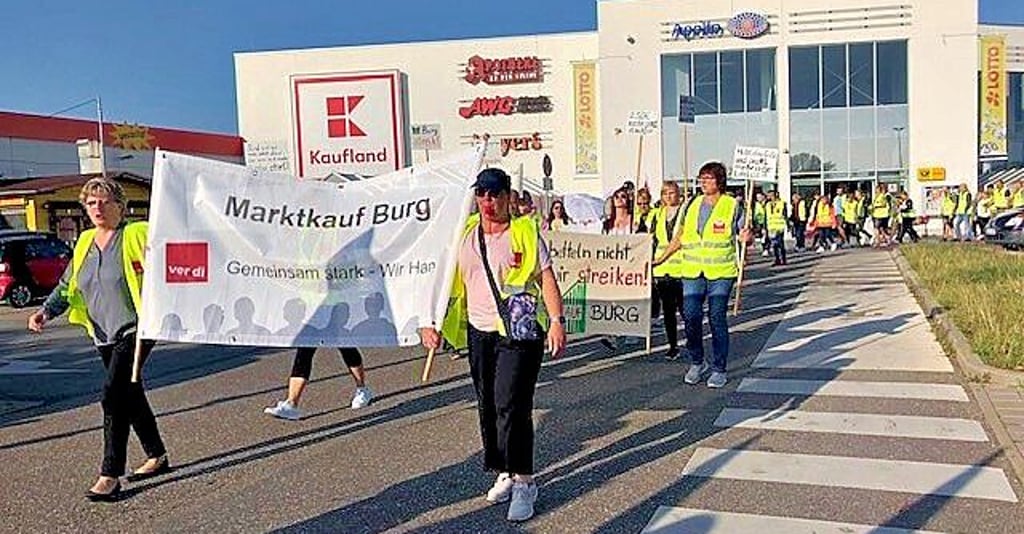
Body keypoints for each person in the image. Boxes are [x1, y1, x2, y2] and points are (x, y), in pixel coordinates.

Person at [419, 168, 566, 523]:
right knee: (487, 405)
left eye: (495, 194)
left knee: (511, 405)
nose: (488, 201)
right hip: (478, 331)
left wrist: (557, 321)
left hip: (518, 332)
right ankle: (504, 468)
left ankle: (525, 482)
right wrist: (430, 321)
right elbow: (441, 280)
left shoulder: (525, 233)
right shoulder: (464, 233)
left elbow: (545, 276)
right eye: (482, 194)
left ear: (508, 197)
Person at [28, 178, 169, 502]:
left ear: (121, 206)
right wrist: (46, 312)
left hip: (135, 328)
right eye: (91, 203)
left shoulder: (136, 234)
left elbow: (170, 252)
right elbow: (69, 284)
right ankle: (157, 455)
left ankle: (110, 474)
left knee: (112, 395)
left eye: (105, 202)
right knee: (130, 394)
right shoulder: (85, 241)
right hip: (102, 332)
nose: (98, 208)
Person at [653, 162, 752, 388]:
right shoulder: (691, 204)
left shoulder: (732, 205)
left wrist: (747, 237)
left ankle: (719, 368)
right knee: (691, 317)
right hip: (692, 271)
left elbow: (743, 235)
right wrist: (662, 258)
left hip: (721, 272)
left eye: (708, 178)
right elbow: (681, 236)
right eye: (701, 178)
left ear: (720, 181)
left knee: (717, 317)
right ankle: (698, 361)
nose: (703, 182)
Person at [263, 347, 374, 420]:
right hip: (314, 315)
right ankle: (292, 403)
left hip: (337, 314)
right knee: (304, 350)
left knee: (346, 346)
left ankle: (362, 389)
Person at [647, 181, 688, 360]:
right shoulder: (656, 215)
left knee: (686, 309)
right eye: (665, 193)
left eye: (672, 193)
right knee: (668, 311)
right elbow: (647, 236)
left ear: (678, 194)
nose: (669, 196)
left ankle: (692, 338)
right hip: (661, 269)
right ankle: (672, 345)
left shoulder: (685, 212)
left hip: (681, 266)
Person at [765, 190, 788, 266]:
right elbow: (767, 216)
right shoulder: (768, 204)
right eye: (769, 195)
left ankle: (783, 259)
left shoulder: (782, 203)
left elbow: (785, 215)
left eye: (771, 195)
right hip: (771, 227)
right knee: (774, 245)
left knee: (780, 244)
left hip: (779, 226)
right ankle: (777, 259)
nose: (770, 197)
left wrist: (786, 225)